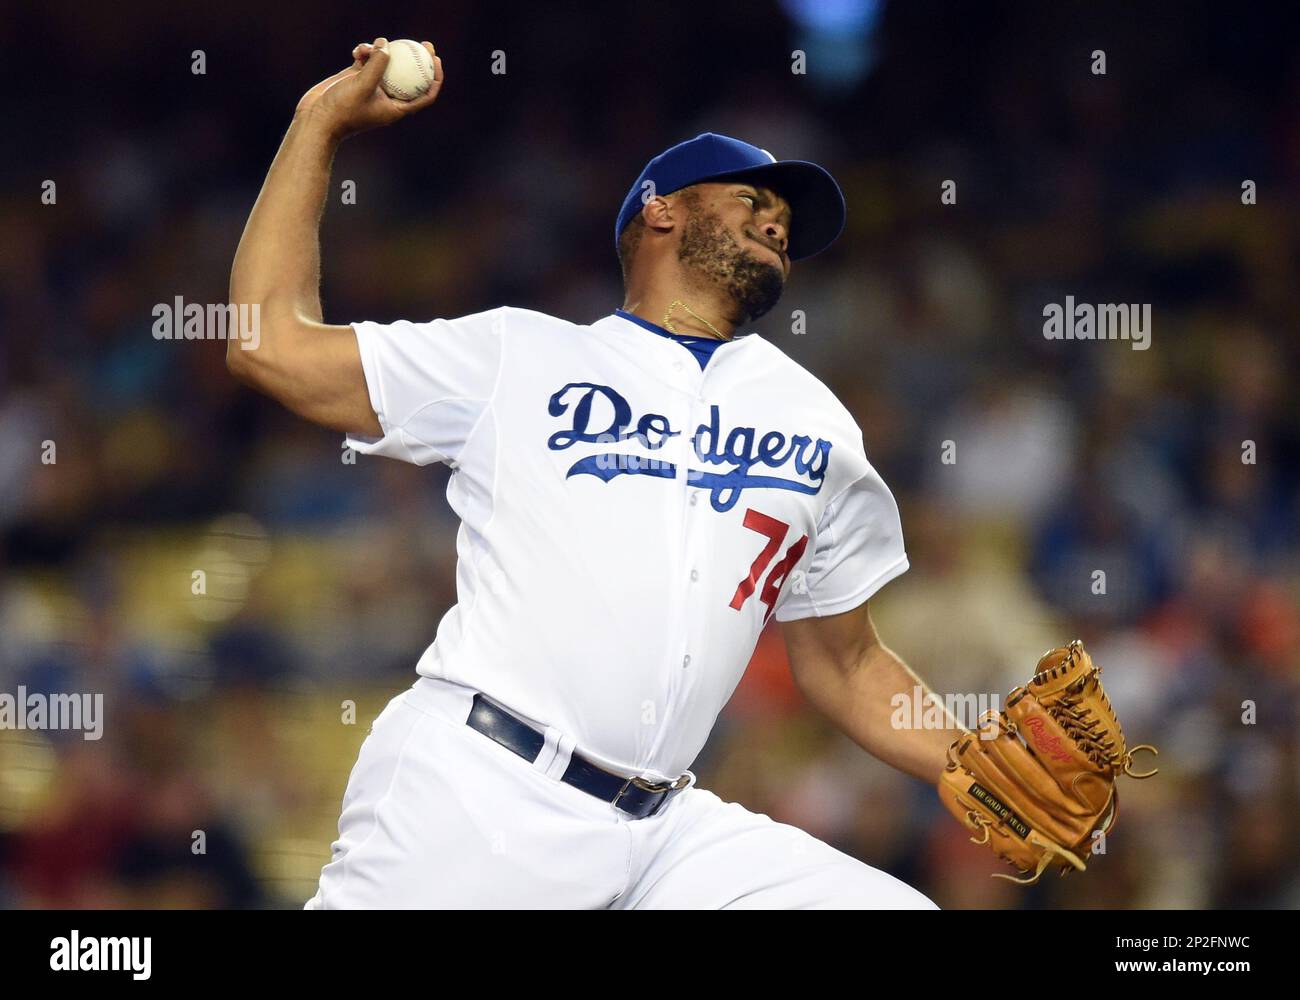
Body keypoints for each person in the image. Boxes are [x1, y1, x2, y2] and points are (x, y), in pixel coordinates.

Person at [228, 38, 962, 908]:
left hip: (665, 835)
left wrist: (970, 765)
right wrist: (318, 125)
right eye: (751, 200)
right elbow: (268, 345)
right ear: (659, 212)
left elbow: (844, 663)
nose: (777, 222)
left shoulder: (815, 418)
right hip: (480, 790)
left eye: (786, 221)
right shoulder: (520, 354)